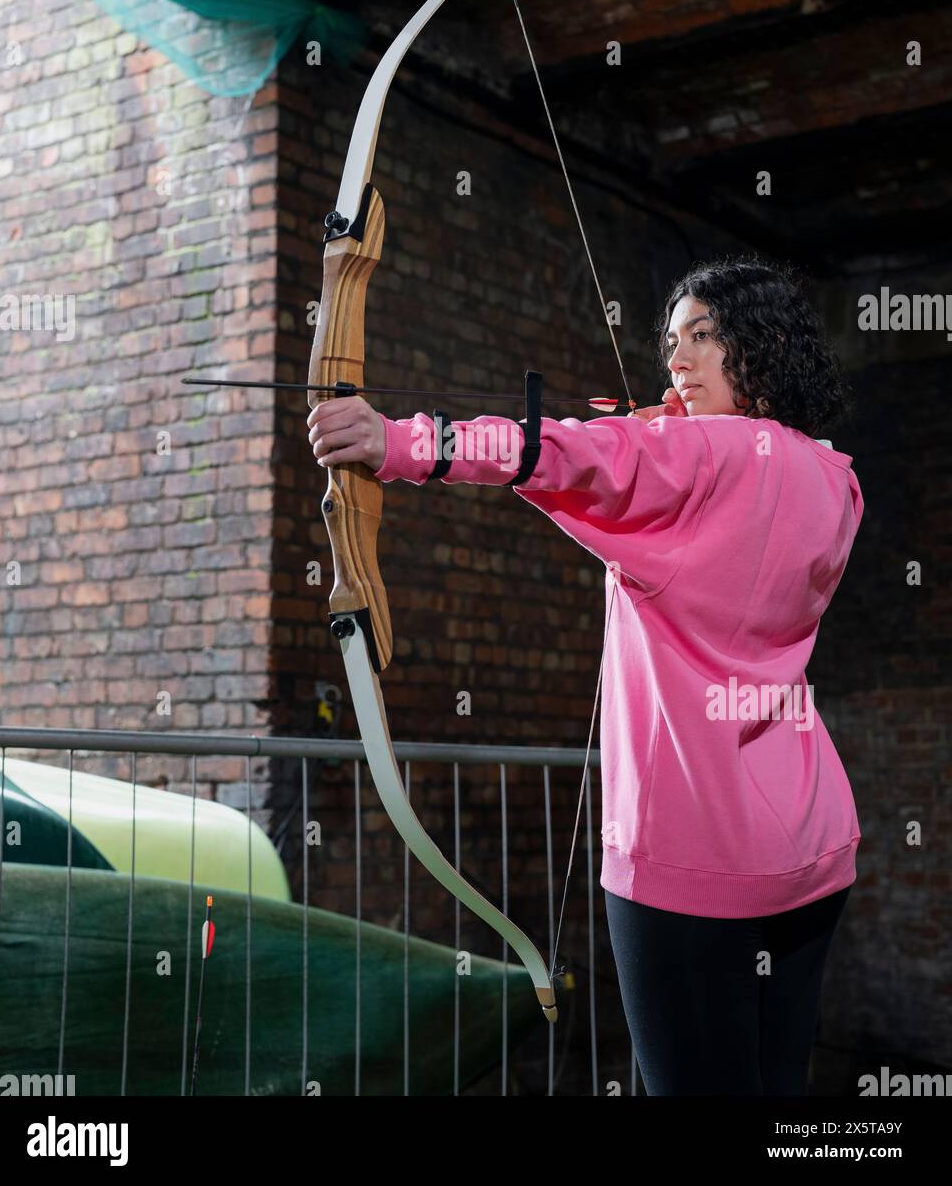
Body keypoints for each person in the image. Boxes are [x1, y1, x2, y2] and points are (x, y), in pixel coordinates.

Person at [306, 257, 863, 1096]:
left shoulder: (690, 454)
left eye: (703, 337)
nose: (677, 361)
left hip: (690, 857)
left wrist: (399, 442)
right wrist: (669, 438)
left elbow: (558, 451)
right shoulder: (837, 480)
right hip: (810, 845)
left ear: (764, 343)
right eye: (671, 342)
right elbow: (718, 488)